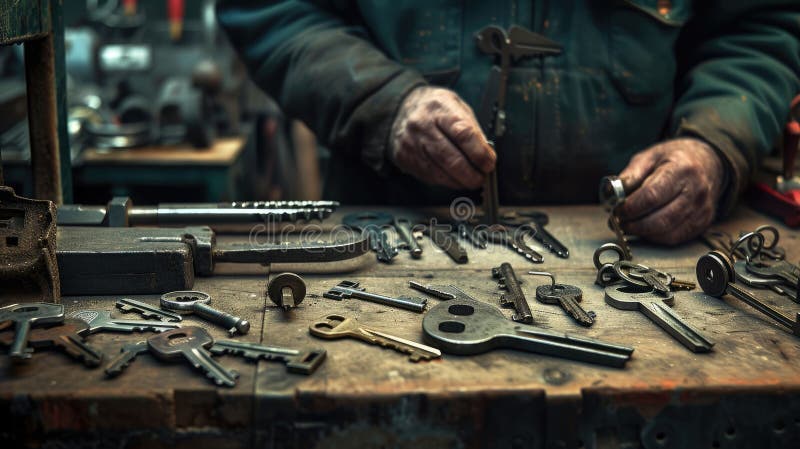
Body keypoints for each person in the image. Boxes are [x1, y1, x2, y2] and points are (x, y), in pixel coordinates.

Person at [216, 1, 800, 244]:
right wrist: (384, 103)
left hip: (640, 244)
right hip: (393, 235)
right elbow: (274, 10)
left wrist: (715, 144)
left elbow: (759, 27)